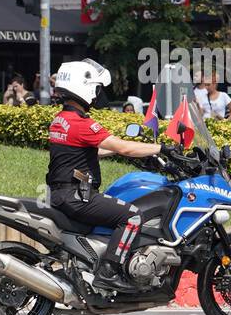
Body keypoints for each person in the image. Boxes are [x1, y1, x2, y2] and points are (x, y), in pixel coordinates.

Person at [46, 59, 162, 292]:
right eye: (97, 88)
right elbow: (124, 147)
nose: (98, 94)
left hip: (62, 193)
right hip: (78, 196)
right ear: (84, 87)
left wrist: (129, 151)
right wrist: (161, 148)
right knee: (132, 217)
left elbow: (87, 151)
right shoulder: (81, 123)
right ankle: (109, 272)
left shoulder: (61, 120)